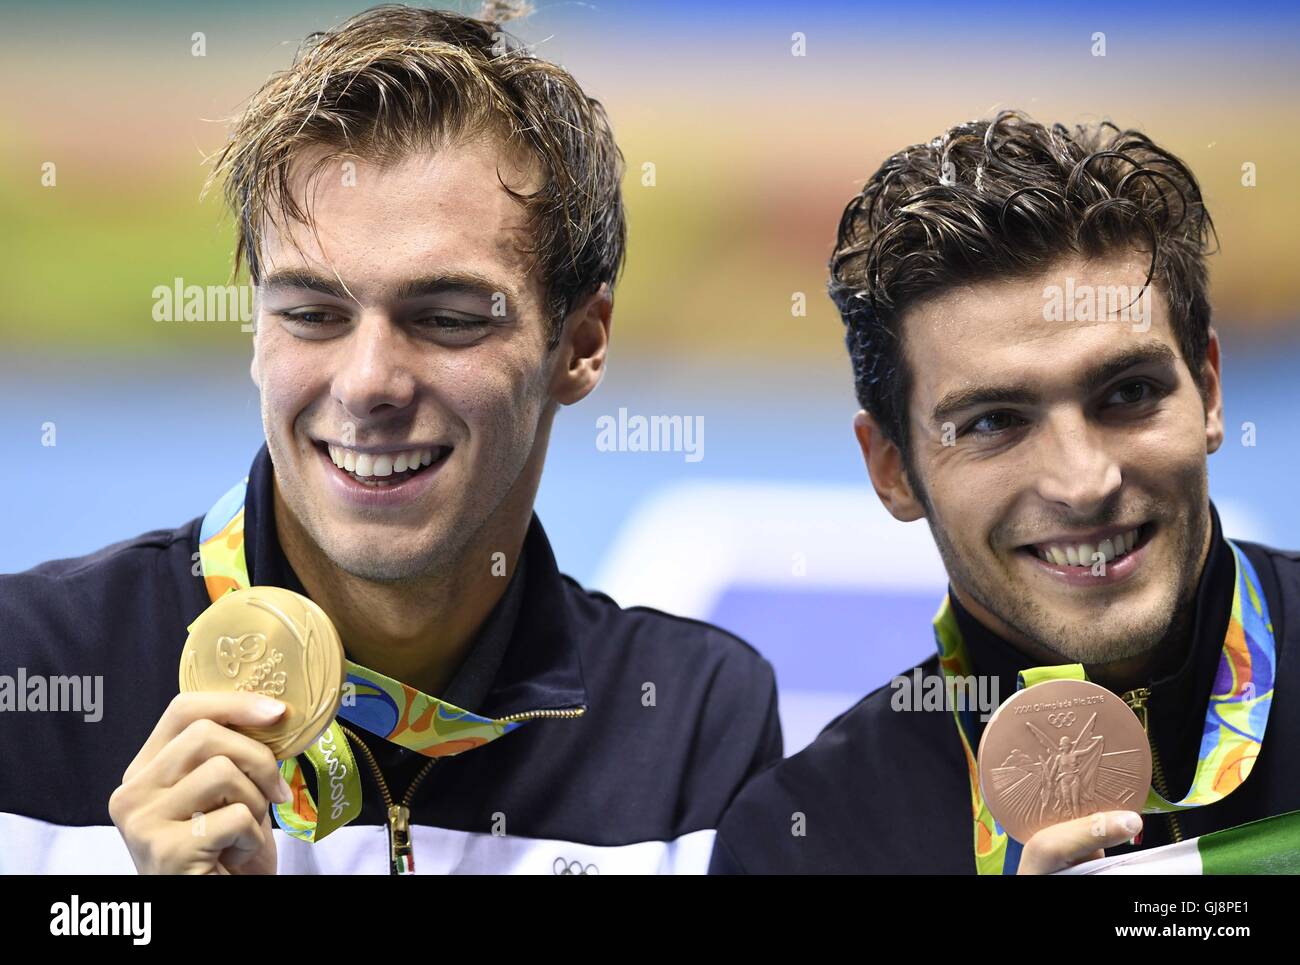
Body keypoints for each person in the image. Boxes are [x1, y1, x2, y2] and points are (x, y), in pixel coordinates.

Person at [0, 3, 780, 875]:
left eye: (445, 318)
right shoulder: (30, 670)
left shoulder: (692, 722)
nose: (368, 381)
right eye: (311, 314)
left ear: (581, 343)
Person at [710, 111, 1300, 874]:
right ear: (892, 469)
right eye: (994, 421)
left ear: (1210, 390)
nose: (1085, 482)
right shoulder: (809, 840)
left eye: (1127, 392)